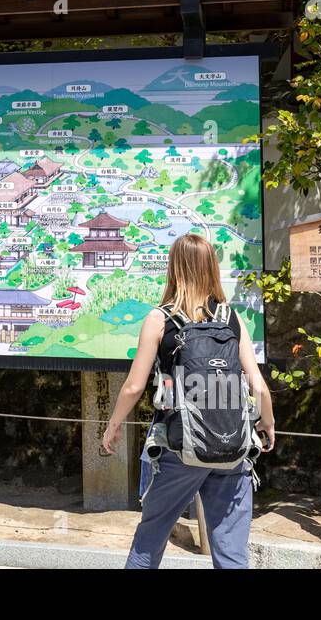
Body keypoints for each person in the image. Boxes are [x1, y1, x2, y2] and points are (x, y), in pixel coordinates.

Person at [101, 233, 274, 569]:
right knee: (232, 551)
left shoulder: (160, 319)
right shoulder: (232, 319)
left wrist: (113, 424)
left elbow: (134, 387)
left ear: (174, 267)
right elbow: (260, 388)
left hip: (177, 448)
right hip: (233, 448)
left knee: (150, 538)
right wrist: (266, 423)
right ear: (211, 267)